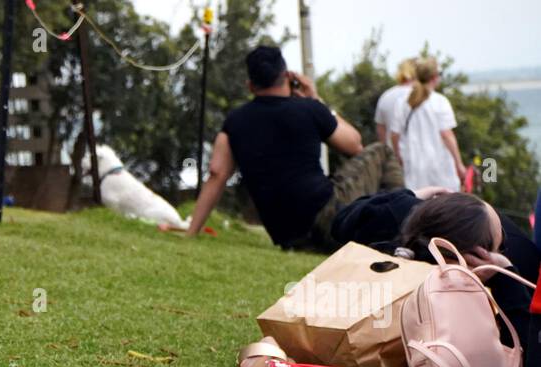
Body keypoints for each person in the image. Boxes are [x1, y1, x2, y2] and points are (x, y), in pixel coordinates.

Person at [186, 45, 403, 252]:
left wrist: (192, 232)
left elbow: (216, 173)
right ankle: (405, 228)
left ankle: (389, 227)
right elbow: (355, 145)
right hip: (329, 219)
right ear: (288, 77)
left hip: (289, 236)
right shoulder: (309, 108)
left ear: (250, 86)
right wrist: (317, 100)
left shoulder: (234, 121)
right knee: (381, 151)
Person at [333, 189, 541, 367]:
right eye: (501, 246)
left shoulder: (385, 257)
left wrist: (413, 193)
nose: (503, 254)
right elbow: (531, 364)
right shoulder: (470, 301)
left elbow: (340, 220)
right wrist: (507, 278)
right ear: (478, 256)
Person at [390, 57, 466, 193]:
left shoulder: (402, 102)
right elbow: (447, 135)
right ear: (434, 77)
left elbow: (394, 134)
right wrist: (459, 164)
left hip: (413, 167)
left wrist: (398, 155)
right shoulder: (440, 102)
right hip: (439, 168)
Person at [374, 58, 417, 148]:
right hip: (418, 156)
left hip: (392, 155)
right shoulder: (421, 97)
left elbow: (381, 129)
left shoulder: (386, 96)